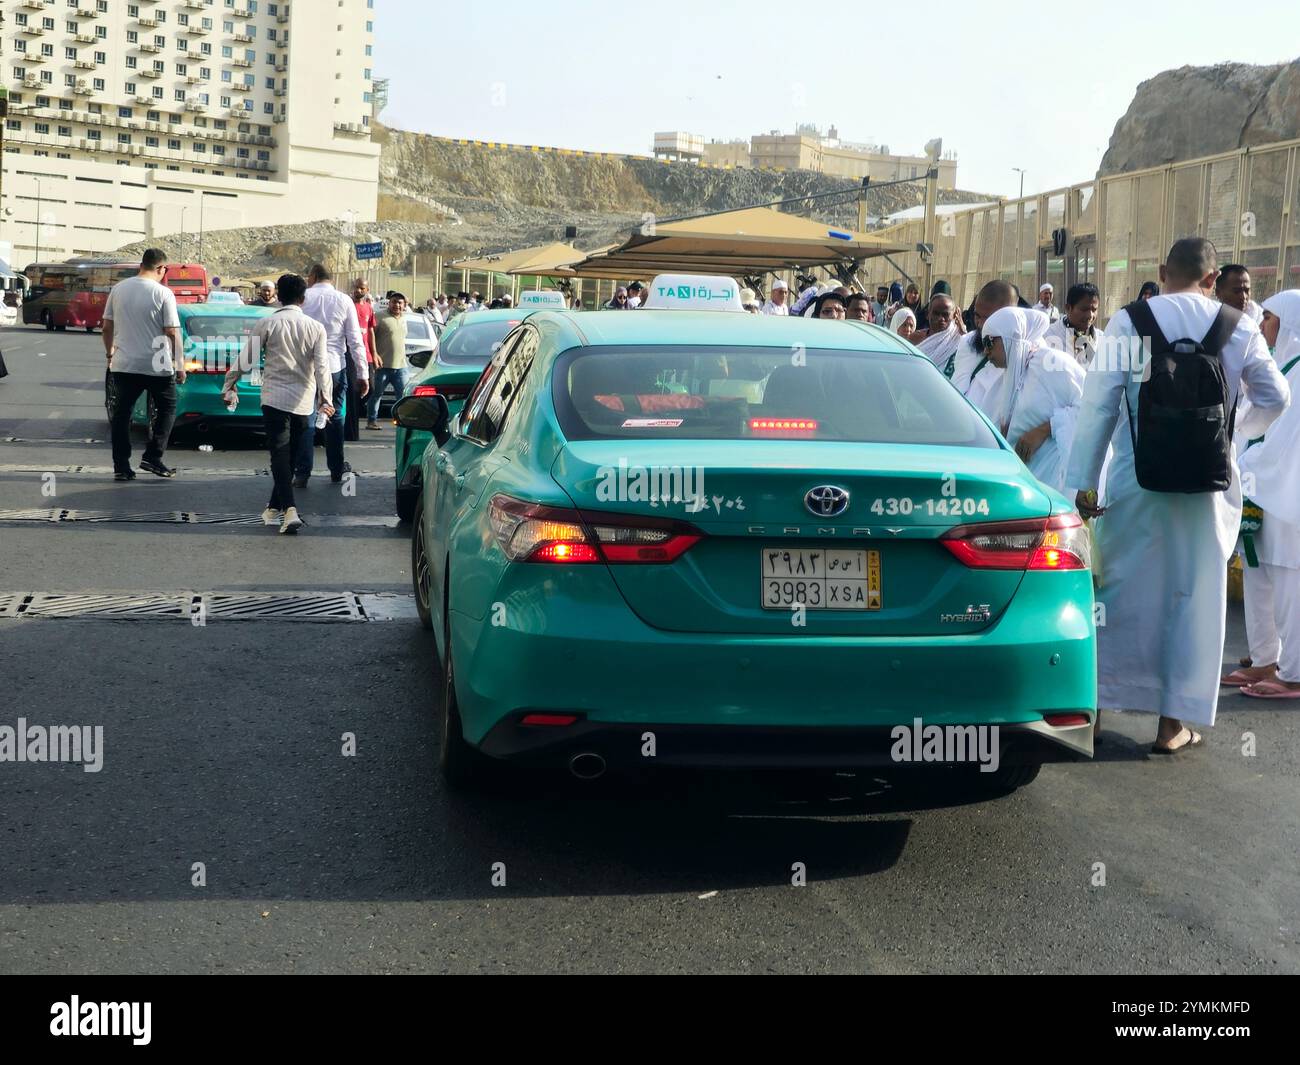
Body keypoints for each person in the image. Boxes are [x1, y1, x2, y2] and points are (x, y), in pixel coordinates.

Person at [1065, 238, 1290, 753]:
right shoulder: (1239, 327)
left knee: (1119, 593)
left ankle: (1096, 710)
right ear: (1212, 280)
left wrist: (1084, 481)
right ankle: (1172, 726)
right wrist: (1232, 435)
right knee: (1194, 597)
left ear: (1162, 270)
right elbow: (1276, 396)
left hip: (1135, 478)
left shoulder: (1126, 322)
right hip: (1210, 487)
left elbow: (1098, 406)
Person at [1227, 290, 1300, 699]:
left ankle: (1294, 673)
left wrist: (1247, 466)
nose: (1262, 325)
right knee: (1260, 576)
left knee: (1290, 583)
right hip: (1262, 491)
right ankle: (1264, 660)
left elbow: (1286, 443)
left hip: (1286, 497)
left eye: (1269, 317)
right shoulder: (1283, 366)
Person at [221, 273, 333, 535]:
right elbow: (322, 367)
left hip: (274, 398)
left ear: (278, 296)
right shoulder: (316, 328)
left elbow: (246, 358)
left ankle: (288, 509)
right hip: (303, 401)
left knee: (280, 454)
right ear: (303, 299)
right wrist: (326, 399)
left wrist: (230, 383)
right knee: (289, 455)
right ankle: (274, 508)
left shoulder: (267, 323)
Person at [981, 307, 1085, 491]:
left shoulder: (1052, 363)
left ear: (1009, 336)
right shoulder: (1006, 377)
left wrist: (1045, 429)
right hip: (1024, 482)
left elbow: (1088, 407)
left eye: (989, 342)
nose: (985, 351)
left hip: (1055, 482)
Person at [103, 248, 183, 481]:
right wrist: (180, 364)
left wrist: (110, 354)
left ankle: (121, 466)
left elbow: (106, 327)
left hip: (124, 364)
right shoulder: (164, 293)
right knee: (167, 409)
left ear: (142, 265)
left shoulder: (118, 289)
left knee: (122, 414)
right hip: (157, 365)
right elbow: (171, 331)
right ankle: (153, 456)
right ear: (160, 268)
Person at [295, 263, 369, 487]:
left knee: (306, 416)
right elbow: (355, 340)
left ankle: (302, 472)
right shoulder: (344, 300)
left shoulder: (303, 297)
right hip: (335, 366)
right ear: (331, 278)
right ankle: (336, 469)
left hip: (306, 367)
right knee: (336, 416)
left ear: (313, 276)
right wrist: (363, 373)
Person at [368, 291, 409, 429]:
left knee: (403, 397)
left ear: (404, 305)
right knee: (376, 395)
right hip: (382, 365)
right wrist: (374, 354)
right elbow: (370, 336)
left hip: (401, 366)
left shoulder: (404, 318)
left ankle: (402, 422)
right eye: (394, 302)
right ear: (389, 303)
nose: (396, 305)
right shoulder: (379, 317)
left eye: (400, 302)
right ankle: (371, 421)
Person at [1043, 283, 1102, 366]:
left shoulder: (1102, 339)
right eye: (1084, 309)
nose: (1090, 315)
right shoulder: (1049, 337)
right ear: (1068, 308)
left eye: (1094, 309)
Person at [349, 278, 378, 442]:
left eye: (362, 288)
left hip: (366, 355)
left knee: (371, 387)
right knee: (353, 390)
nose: (358, 290)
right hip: (352, 354)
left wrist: (374, 353)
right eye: (356, 287)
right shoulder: (348, 306)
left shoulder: (368, 308)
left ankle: (357, 408)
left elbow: (370, 331)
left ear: (367, 290)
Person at [916, 294, 963, 373]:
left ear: (954, 316)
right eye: (936, 313)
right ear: (927, 314)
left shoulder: (958, 341)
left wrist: (964, 333)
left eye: (945, 314)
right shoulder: (915, 338)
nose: (941, 318)